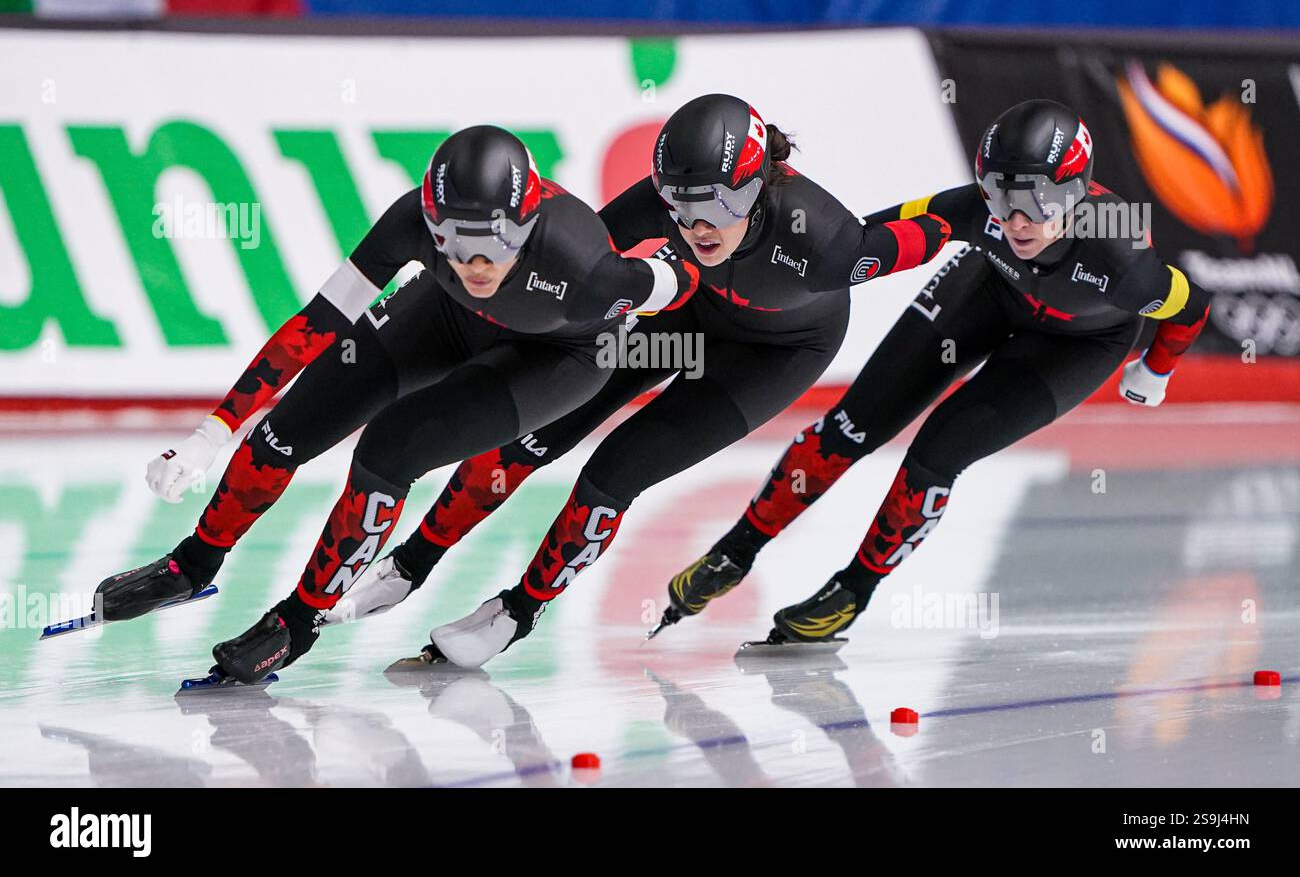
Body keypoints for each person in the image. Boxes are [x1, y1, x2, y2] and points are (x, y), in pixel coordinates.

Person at [332, 93, 953, 669]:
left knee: (615, 472)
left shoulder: (825, 241)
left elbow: (943, 224)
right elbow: (573, 258)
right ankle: (413, 560)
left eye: (720, 207)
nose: (699, 226)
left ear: (759, 186)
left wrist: (1007, 208)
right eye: (682, 207)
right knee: (538, 430)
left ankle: (520, 609)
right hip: (682, 315)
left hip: (773, 356)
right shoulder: (670, 202)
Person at [91, 126, 697, 670]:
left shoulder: (582, 263)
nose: (476, 261)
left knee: (388, 452)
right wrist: (213, 432)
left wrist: (682, 255)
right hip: (447, 316)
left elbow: (680, 279)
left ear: (527, 224)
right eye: (455, 242)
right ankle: (193, 563)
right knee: (286, 428)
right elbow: (319, 321)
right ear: (431, 223)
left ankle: (299, 624)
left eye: (494, 241)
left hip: (558, 356)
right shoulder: (411, 219)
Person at [657, 98, 1211, 646]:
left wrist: (1156, 369)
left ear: (1074, 193)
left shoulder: (1123, 258)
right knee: (851, 426)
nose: (1014, 218)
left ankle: (854, 590)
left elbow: (1193, 308)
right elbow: (865, 237)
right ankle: (734, 552)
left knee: (938, 453)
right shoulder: (977, 211)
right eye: (998, 194)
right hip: (989, 289)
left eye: (1036, 202)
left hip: (1081, 341)